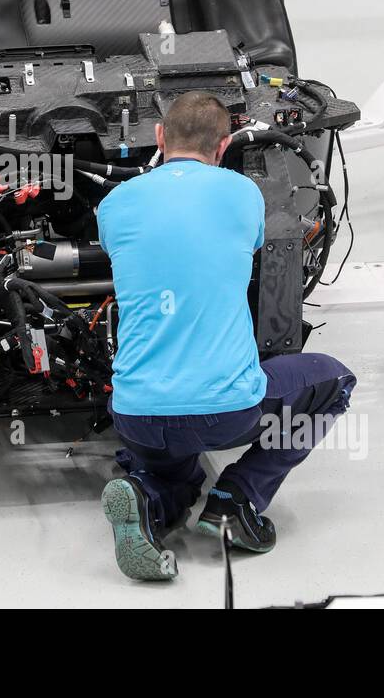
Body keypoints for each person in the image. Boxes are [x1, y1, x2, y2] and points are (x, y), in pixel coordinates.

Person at [95, 90, 357, 582]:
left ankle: (149, 498)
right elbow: (254, 247)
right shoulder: (242, 194)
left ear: (158, 137)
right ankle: (236, 501)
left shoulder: (115, 203)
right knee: (332, 379)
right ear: (225, 146)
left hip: (135, 414)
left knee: (177, 470)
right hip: (226, 415)